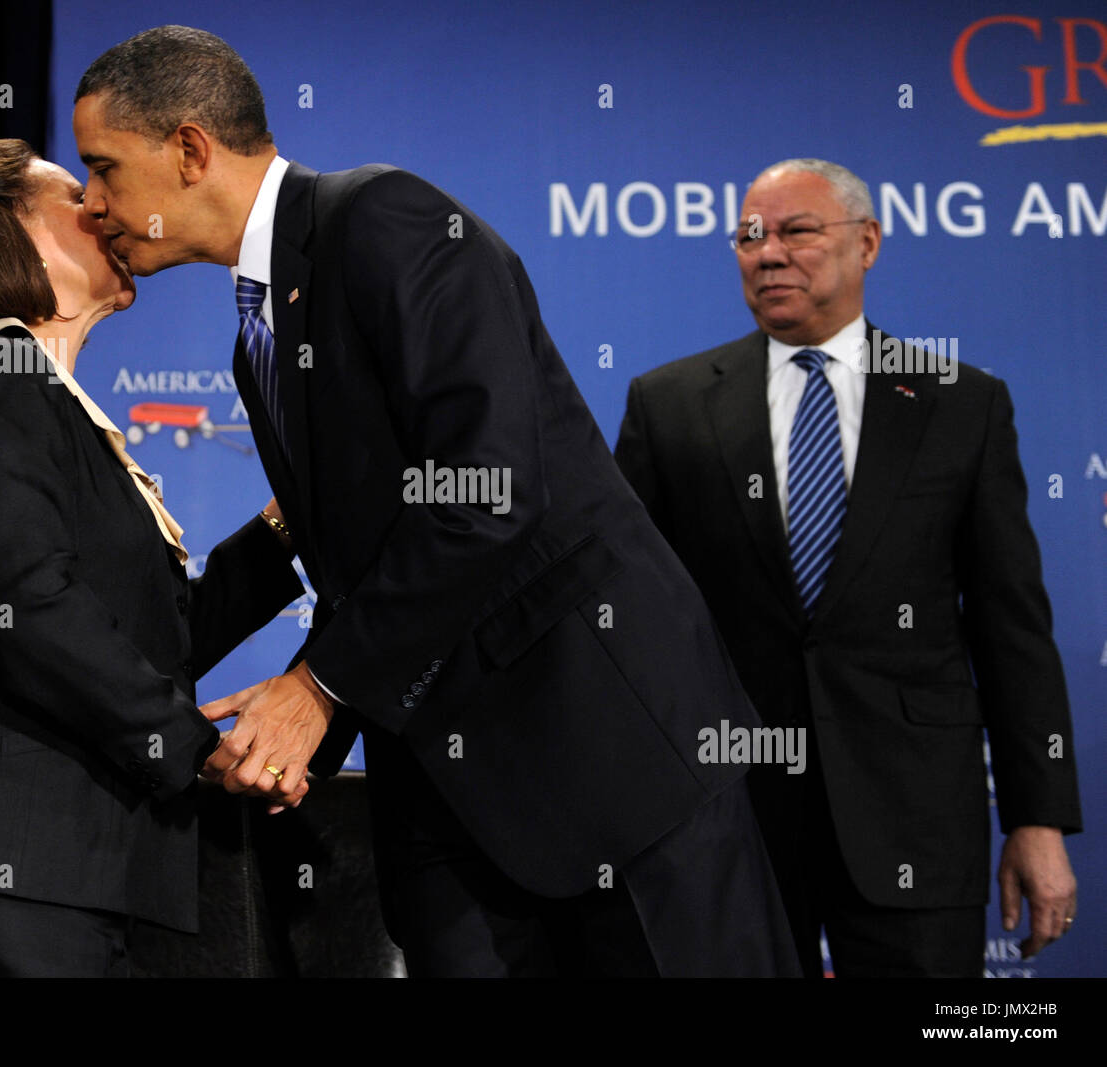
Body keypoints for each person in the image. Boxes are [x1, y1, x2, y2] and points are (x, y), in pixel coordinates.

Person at [71, 25, 799, 978]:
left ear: (191, 148)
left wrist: (318, 688)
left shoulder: (383, 219)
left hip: (610, 767)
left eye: (102, 169)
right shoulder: (256, 338)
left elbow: (487, 492)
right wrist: (312, 720)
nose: (91, 205)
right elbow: (374, 564)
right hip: (452, 803)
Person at [0, 137, 305, 977]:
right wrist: (196, 747)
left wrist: (286, 526)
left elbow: (150, 638)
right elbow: (31, 608)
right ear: (7, 234)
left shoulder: (47, 403)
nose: (104, 211)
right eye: (76, 199)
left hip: (69, 874)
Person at [614, 157, 1082, 978]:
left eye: (797, 231)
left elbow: (1012, 628)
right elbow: (629, 614)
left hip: (915, 814)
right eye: (750, 236)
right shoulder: (670, 404)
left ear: (866, 243)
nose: (768, 253)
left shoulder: (961, 402)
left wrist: (1037, 820)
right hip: (735, 812)